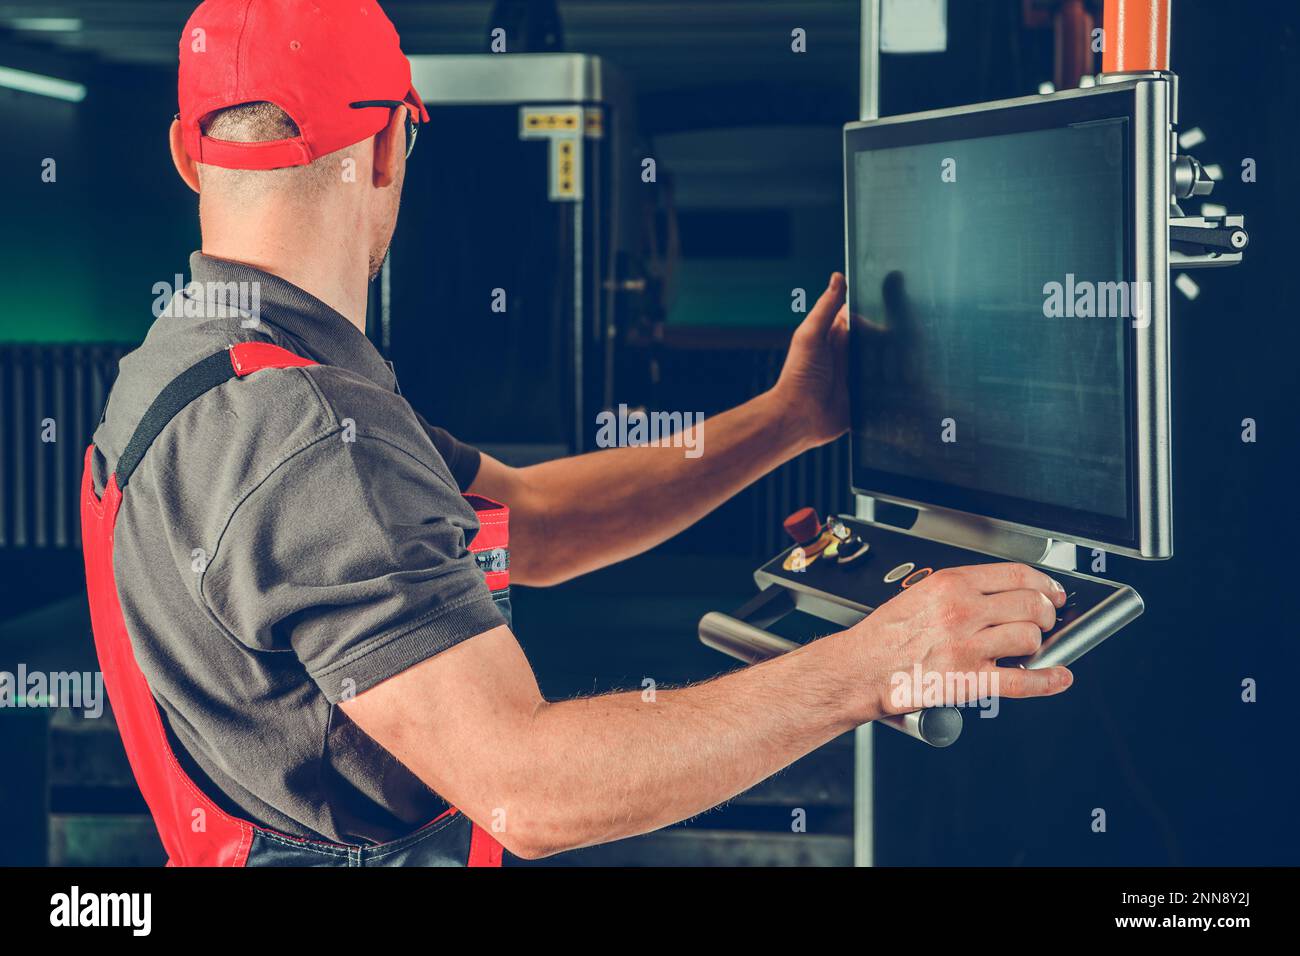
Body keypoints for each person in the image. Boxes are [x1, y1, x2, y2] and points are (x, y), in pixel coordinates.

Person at [84, 0, 1072, 866]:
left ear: (186, 152)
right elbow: (531, 790)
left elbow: (533, 518)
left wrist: (785, 419)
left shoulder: (190, 366)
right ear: (388, 146)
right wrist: (871, 663)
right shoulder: (305, 432)